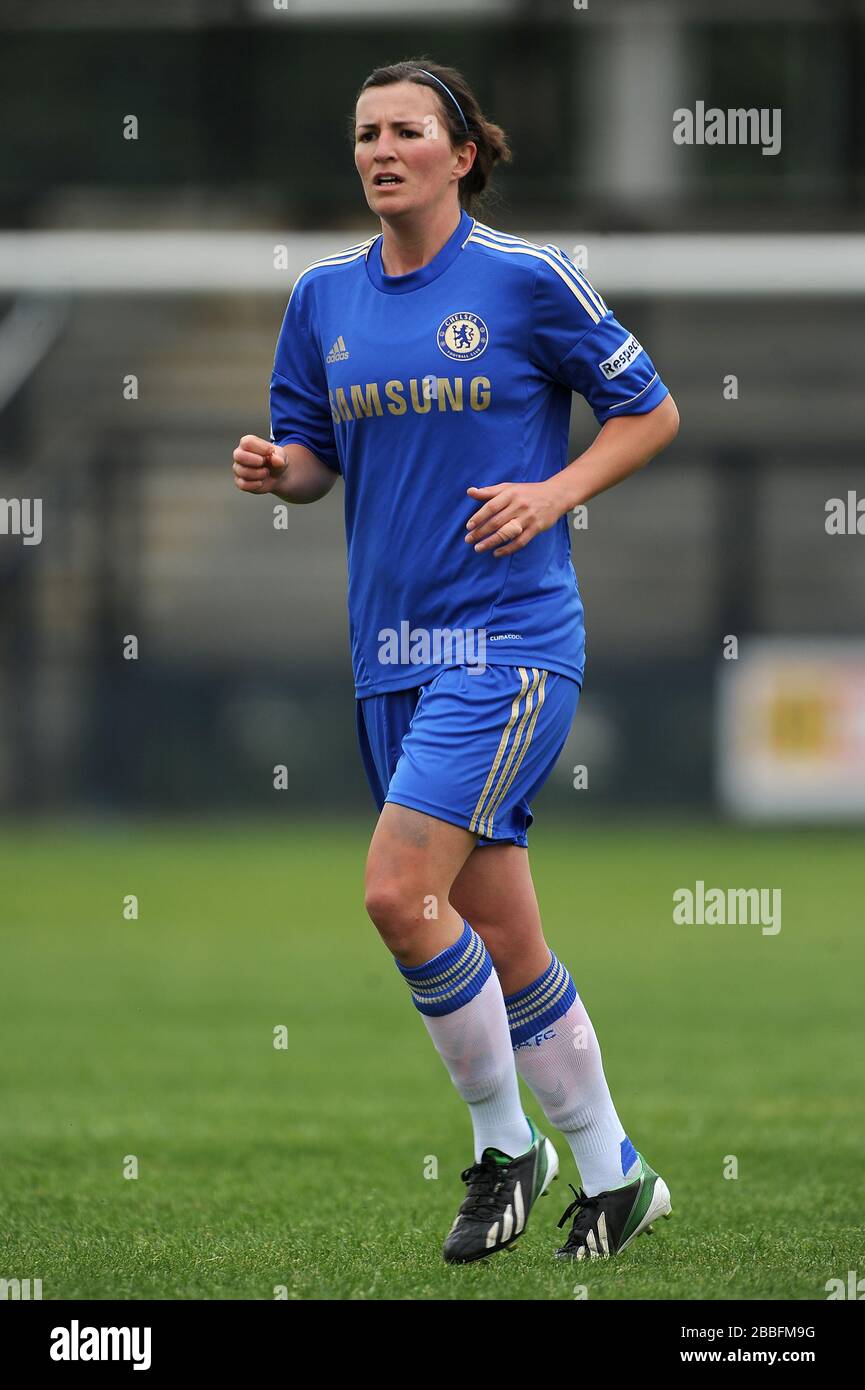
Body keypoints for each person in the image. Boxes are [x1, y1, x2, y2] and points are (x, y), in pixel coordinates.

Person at [232, 58, 679, 1264]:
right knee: (502, 937)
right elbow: (313, 452)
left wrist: (552, 493)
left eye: (406, 130)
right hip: (390, 654)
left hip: (510, 643)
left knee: (395, 894)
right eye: (364, 131)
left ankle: (502, 1149)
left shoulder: (527, 281)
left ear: (460, 153)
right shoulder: (322, 298)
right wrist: (286, 474)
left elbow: (650, 410)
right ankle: (616, 1171)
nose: (380, 149)